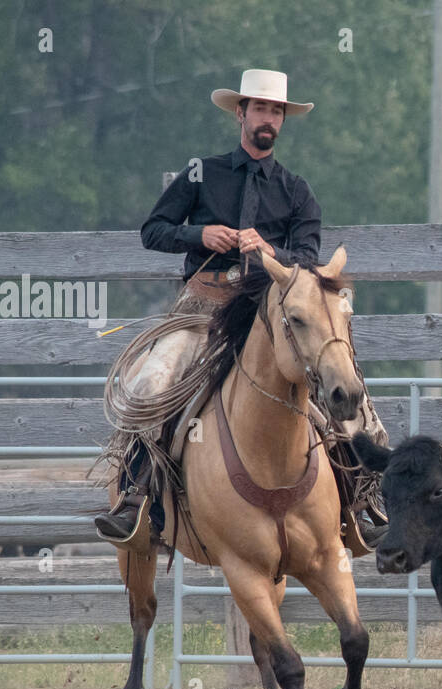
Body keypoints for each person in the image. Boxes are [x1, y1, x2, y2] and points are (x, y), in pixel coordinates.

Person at [94, 68, 388, 548]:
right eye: (260, 108)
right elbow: (153, 230)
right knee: (154, 380)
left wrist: (269, 250)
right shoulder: (201, 173)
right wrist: (199, 234)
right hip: (201, 309)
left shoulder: (297, 191)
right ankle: (134, 498)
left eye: (276, 110)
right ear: (240, 113)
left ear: (283, 120)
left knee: (341, 387)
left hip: (270, 319)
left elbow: (308, 259)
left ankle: (365, 499)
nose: (268, 118)